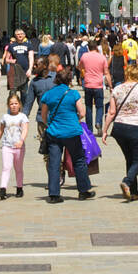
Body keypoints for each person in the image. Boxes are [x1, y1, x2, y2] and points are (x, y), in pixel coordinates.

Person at [104, 62, 138, 200]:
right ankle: (127, 182)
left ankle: (133, 192)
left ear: (126, 74)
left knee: (130, 159)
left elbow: (111, 112)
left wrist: (105, 130)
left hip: (120, 128)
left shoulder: (117, 89)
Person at [40, 69, 94, 203]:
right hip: (72, 132)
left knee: (54, 163)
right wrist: (75, 119)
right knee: (79, 160)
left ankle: (54, 194)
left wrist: (49, 124)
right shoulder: (73, 93)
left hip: (54, 133)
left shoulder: (48, 94)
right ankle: (83, 190)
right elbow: (82, 112)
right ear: (70, 80)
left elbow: (43, 115)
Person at [0, 91, 29, 199]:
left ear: (20, 105)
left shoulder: (22, 117)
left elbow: (25, 129)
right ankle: (3, 189)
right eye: (11, 104)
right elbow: (0, 130)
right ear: (8, 105)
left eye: (16, 103)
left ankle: (19, 188)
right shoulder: (5, 117)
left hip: (19, 147)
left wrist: (21, 140)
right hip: (6, 146)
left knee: (18, 168)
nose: (14, 106)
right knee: (6, 167)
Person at [79, 39, 110, 131]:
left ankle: (89, 128)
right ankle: (98, 122)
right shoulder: (102, 57)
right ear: (96, 47)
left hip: (88, 84)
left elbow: (80, 67)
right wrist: (111, 86)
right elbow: (106, 72)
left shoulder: (84, 56)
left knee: (88, 107)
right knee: (99, 106)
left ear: (88, 47)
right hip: (98, 85)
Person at [4, 29, 34, 93]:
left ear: (24, 35)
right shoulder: (11, 46)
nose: (20, 35)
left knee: (24, 94)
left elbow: (31, 57)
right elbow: (6, 60)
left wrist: (30, 69)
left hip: (25, 72)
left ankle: (23, 103)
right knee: (13, 93)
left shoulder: (29, 45)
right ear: (15, 36)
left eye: (21, 34)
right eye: (18, 34)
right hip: (14, 72)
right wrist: (11, 61)